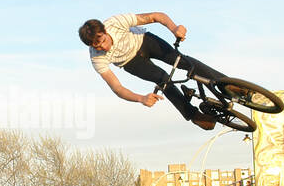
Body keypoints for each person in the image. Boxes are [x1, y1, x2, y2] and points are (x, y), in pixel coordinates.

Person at [78, 13, 227, 130]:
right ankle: (194, 116)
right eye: (97, 47)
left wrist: (174, 28)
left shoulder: (115, 22)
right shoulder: (96, 58)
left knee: (184, 62)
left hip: (144, 41)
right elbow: (117, 88)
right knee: (163, 80)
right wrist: (140, 98)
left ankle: (226, 84)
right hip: (131, 62)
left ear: (105, 31)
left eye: (103, 41)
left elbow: (156, 16)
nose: (103, 48)